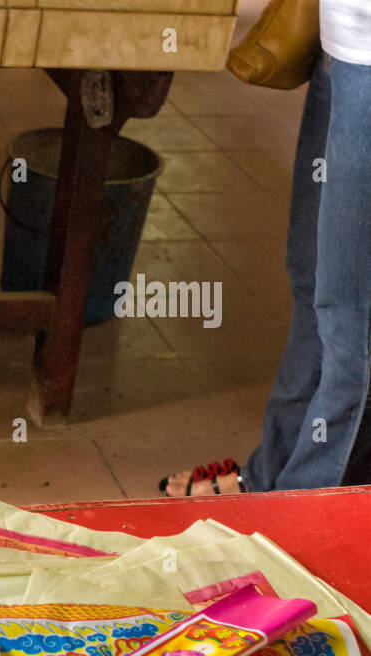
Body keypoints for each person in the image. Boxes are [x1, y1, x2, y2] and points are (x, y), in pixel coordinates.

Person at [161, 2, 371, 496]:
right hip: (340, 42)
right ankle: (269, 474)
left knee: (351, 316)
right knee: (312, 280)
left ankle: (303, 505)